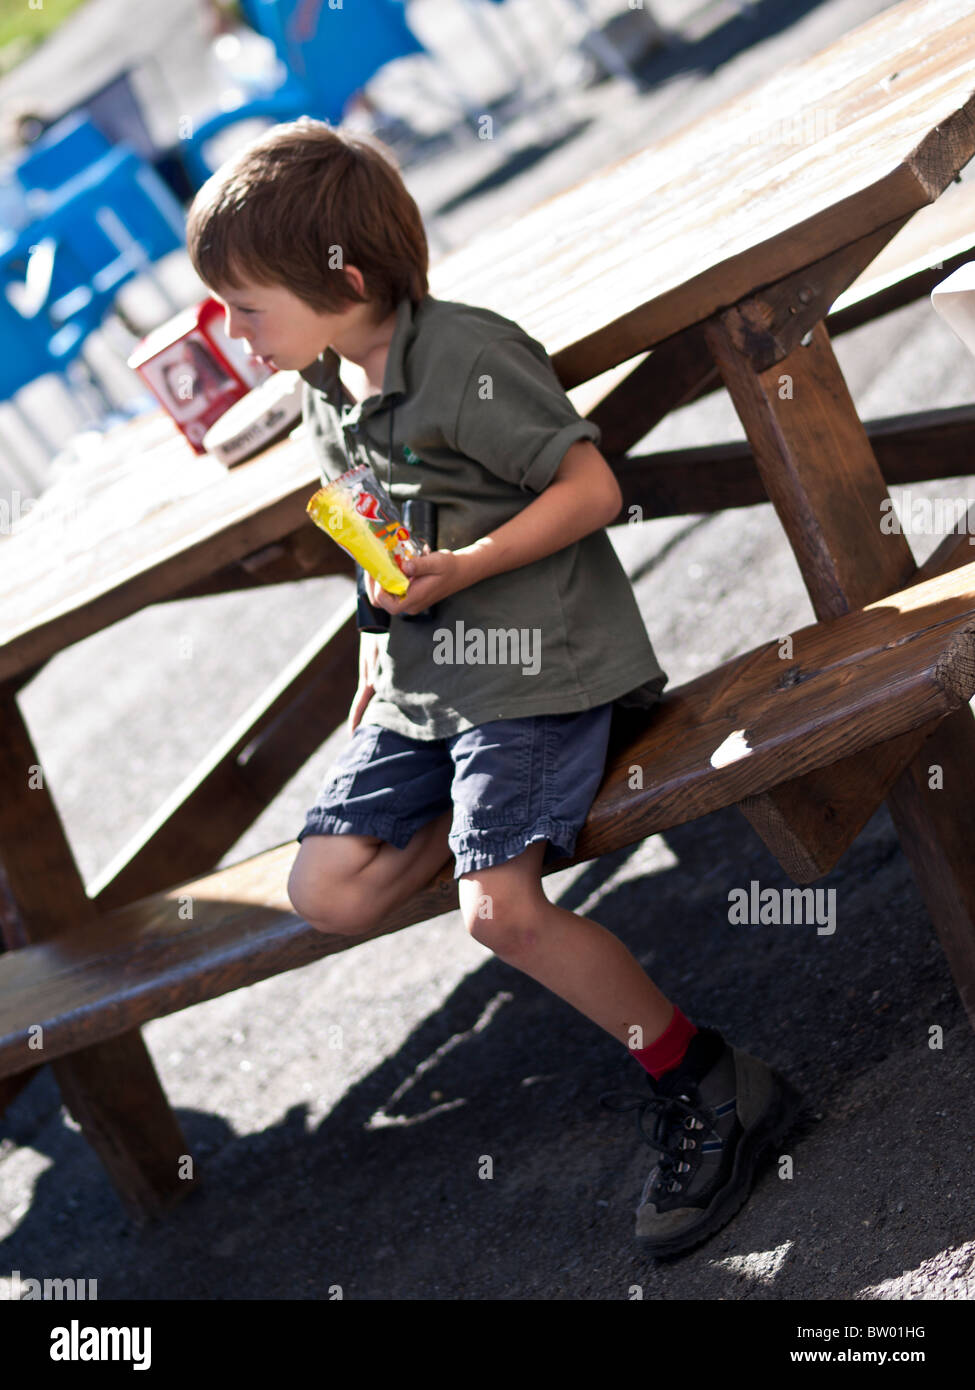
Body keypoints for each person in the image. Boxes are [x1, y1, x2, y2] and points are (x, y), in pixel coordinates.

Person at [185, 117, 802, 1258]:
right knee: (329, 889)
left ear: (347, 282)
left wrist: (467, 569)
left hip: (536, 664)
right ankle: (492, 823)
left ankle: (714, 1082)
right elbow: (377, 543)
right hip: (431, 683)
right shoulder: (326, 390)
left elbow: (591, 487)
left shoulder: (465, 356)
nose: (231, 334)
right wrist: (377, 652)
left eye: (247, 305)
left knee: (497, 911)